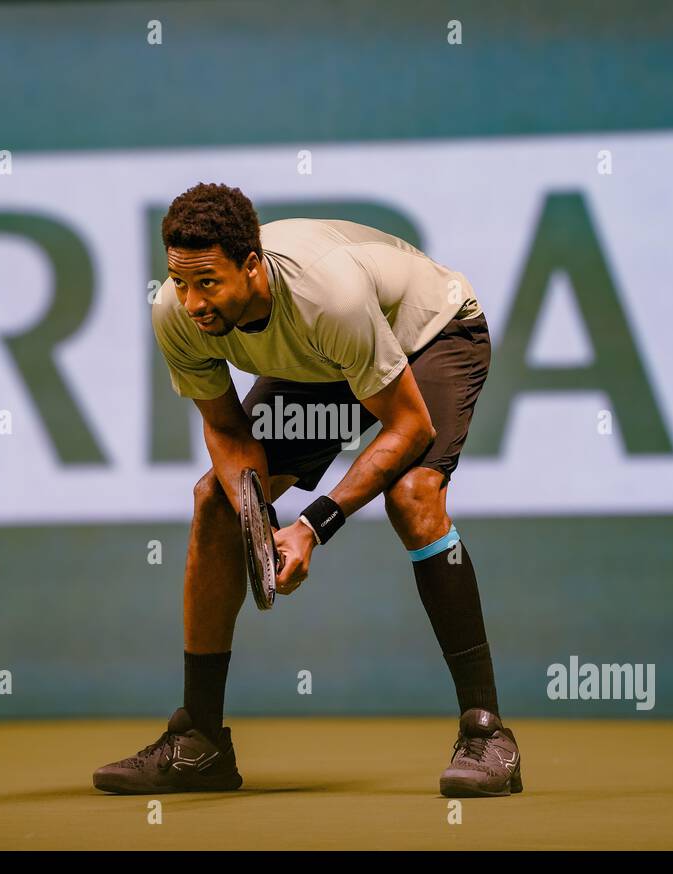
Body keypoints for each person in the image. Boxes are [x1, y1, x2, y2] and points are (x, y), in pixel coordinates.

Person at [93, 182, 520, 797]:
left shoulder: (329, 297)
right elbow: (225, 427)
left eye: (207, 283)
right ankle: (199, 740)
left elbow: (410, 424)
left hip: (431, 332)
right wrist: (255, 515)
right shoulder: (175, 313)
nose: (191, 302)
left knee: (413, 496)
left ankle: (487, 735)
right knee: (216, 498)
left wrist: (312, 525)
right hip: (330, 364)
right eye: (180, 282)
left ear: (251, 265)